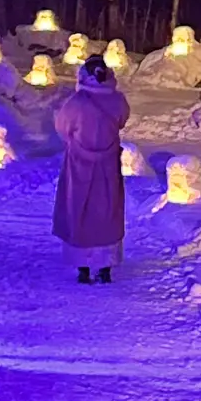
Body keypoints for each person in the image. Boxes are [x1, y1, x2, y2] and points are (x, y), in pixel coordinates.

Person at [53, 52, 131, 284]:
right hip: (108, 164)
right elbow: (122, 121)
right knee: (107, 210)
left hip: (79, 164)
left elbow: (62, 127)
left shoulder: (77, 102)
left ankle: (83, 266)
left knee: (79, 208)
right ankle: (105, 265)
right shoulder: (118, 100)